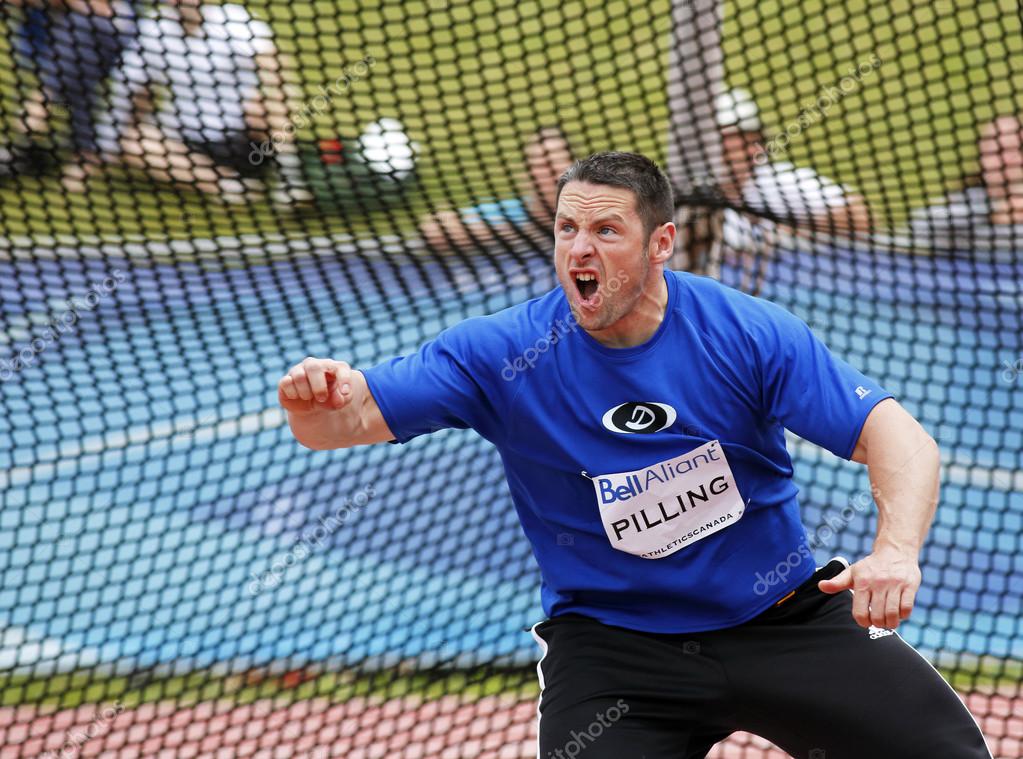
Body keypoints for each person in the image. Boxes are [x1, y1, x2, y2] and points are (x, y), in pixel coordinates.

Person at [277, 152, 991, 758]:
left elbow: (899, 438)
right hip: (615, 653)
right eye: (566, 229)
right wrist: (315, 403)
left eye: (605, 230)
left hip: (779, 621)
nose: (578, 249)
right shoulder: (502, 353)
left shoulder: (742, 332)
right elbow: (343, 421)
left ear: (659, 243)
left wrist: (895, 549)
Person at [93, 0, 309, 205]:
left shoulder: (233, 19)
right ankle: (227, 185)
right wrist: (108, 145)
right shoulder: (155, 28)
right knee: (134, 142)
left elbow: (273, 64)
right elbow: (133, 88)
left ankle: (289, 179)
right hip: (186, 142)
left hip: (243, 136)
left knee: (272, 104)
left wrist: (264, 96)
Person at [1, 0, 138, 179]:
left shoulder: (117, 17)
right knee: (74, 85)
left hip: (100, 49)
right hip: (71, 77)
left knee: (81, 31)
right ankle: (47, 113)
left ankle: (40, 105)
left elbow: (105, 17)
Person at [418, 127, 574, 252]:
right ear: (525, 174)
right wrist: (514, 231)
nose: (547, 176)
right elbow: (432, 228)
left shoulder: (591, 212)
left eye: (555, 166)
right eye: (540, 166)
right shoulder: (515, 212)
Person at [903, 115, 1023, 250]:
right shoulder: (968, 199)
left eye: (1011, 150)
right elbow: (921, 224)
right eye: (993, 150)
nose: (1004, 160)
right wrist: (994, 214)